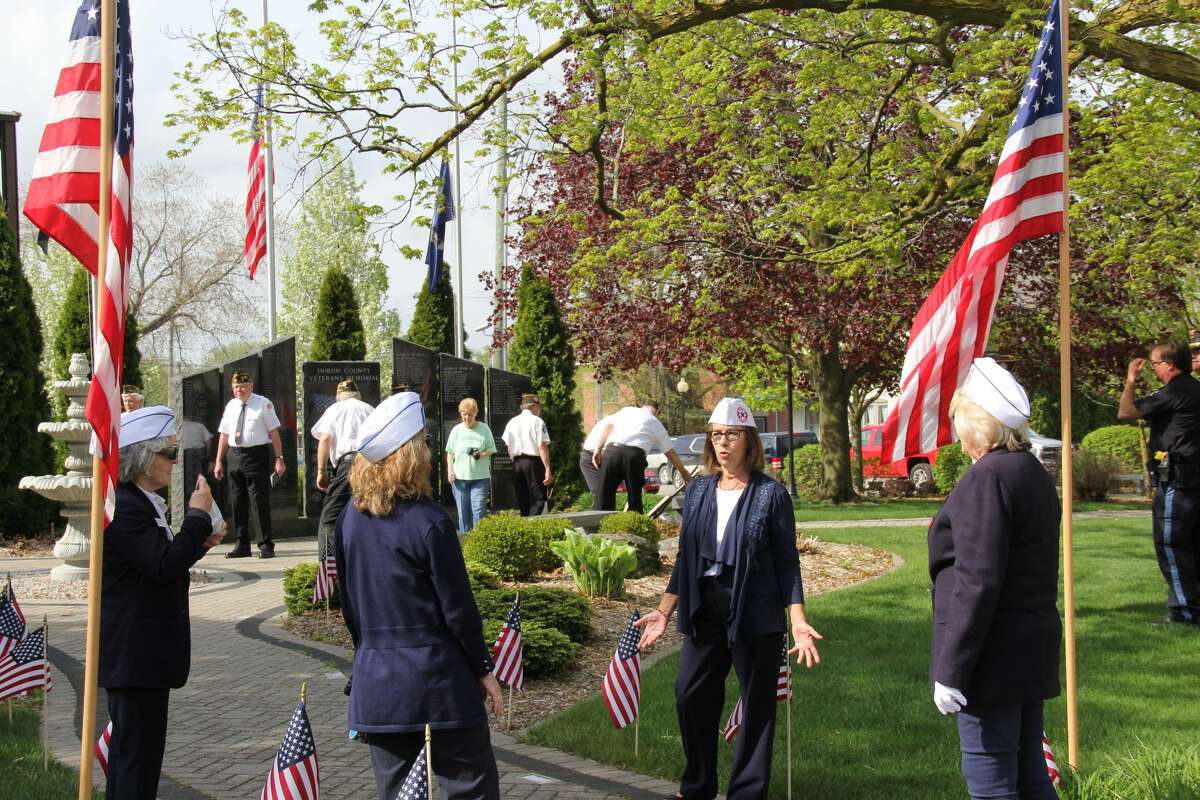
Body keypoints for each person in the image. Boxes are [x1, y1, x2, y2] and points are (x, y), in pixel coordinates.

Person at [635, 397, 821, 800]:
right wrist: (665, 611)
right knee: (690, 693)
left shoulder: (770, 494)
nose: (722, 443)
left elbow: (788, 563)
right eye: (716, 435)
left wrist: (798, 620)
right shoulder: (700, 489)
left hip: (756, 610)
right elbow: (686, 558)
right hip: (706, 607)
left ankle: (747, 792)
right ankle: (698, 785)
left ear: (748, 440)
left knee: (757, 707)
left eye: (731, 435)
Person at [335, 392, 504, 800]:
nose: (429, 453)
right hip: (439, 683)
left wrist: (369, 654)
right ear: (411, 454)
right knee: (472, 787)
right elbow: (458, 610)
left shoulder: (349, 520)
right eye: (424, 444)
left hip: (376, 683)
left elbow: (350, 606)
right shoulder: (429, 522)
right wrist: (483, 669)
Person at [928, 358, 1062, 800]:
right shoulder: (1032, 473)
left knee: (991, 782)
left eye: (960, 426)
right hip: (1029, 645)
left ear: (979, 426)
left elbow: (977, 579)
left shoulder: (988, 476)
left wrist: (951, 668)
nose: (959, 439)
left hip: (991, 654)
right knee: (1029, 776)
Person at [100, 406, 226, 799]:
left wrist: (198, 543)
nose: (175, 462)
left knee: (143, 760)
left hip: (145, 659)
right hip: (134, 658)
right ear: (140, 456)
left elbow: (162, 563)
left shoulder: (140, 501)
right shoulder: (125, 506)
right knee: (134, 764)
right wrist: (196, 519)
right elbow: (160, 566)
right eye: (167, 453)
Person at [1118, 339, 1200, 625]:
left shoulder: (1173, 392)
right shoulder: (1195, 389)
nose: (1152, 370)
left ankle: (1183, 612)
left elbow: (1126, 412)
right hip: (1193, 477)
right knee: (1192, 543)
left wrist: (1130, 380)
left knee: (1171, 543)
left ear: (1169, 365)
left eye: (1154, 365)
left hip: (1176, 480)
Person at [214, 371, 285, 558]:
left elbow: (274, 433)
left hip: (256, 455)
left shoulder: (263, 403)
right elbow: (224, 434)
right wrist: (219, 461)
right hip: (235, 455)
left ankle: (265, 544)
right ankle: (241, 544)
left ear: (251, 386)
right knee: (237, 501)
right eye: (236, 387)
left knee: (258, 500)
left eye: (243, 386)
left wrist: (279, 457)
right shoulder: (231, 406)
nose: (240, 390)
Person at [593, 401, 692, 513]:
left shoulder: (627, 410)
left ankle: (598, 524)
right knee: (634, 496)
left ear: (643, 407)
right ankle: (635, 524)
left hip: (613, 451)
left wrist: (598, 448)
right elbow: (670, 453)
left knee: (604, 494)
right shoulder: (656, 423)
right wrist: (683, 473)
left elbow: (608, 426)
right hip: (634, 455)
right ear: (657, 412)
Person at [311, 378, 374, 550]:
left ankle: (330, 568)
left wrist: (321, 471)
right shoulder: (370, 409)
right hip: (371, 465)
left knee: (330, 517)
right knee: (370, 512)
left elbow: (325, 439)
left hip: (349, 465)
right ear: (358, 396)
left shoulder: (335, 409)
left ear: (338, 397)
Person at [444, 397, 497, 532]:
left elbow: (491, 449)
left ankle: (479, 543)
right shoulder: (456, 430)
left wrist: (480, 454)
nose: (467, 418)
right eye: (464, 415)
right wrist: (450, 470)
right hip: (460, 479)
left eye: (470, 415)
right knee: (464, 514)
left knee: (479, 511)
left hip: (480, 478)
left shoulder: (484, 429)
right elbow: (450, 452)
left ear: (475, 413)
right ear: (460, 414)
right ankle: (466, 547)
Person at [500, 393, 552, 516]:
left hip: (517, 463)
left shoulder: (512, 422)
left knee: (522, 497)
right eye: (539, 407)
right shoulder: (537, 421)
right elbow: (542, 446)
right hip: (533, 462)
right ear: (534, 406)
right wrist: (548, 469)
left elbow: (508, 447)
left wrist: (515, 461)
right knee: (538, 498)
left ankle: (525, 521)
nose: (539, 410)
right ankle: (534, 524)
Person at [579, 412, 614, 502]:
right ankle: (600, 514)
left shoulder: (614, 418)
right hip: (591, 457)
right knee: (600, 494)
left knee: (607, 493)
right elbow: (609, 428)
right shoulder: (615, 420)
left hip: (601, 456)